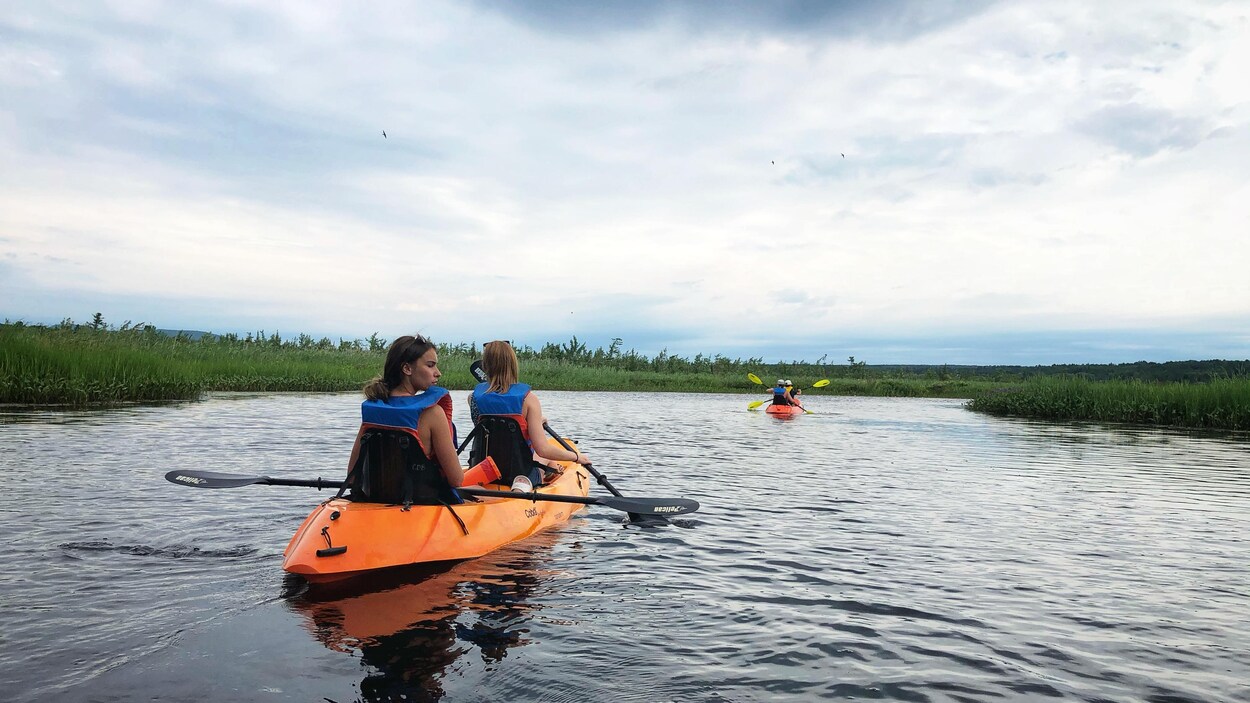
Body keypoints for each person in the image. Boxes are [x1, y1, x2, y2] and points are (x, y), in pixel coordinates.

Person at [346, 334, 466, 489]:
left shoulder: (375, 410)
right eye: (430, 365)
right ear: (407, 368)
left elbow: (352, 476)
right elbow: (456, 480)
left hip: (378, 500)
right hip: (421, 505)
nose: (438, 372)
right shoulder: (433, 413)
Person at [472, 340, 591, 490]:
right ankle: (528, 481)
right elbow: (543, 449)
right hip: (517, 472)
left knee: (546, 458)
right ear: (513, 364)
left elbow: (490, 427)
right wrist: (576, 457)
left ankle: (550, 471)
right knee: (546, 454)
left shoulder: (473, 398)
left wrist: (531, 422)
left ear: (485, 366)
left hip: (484, 469)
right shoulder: (529, 400)